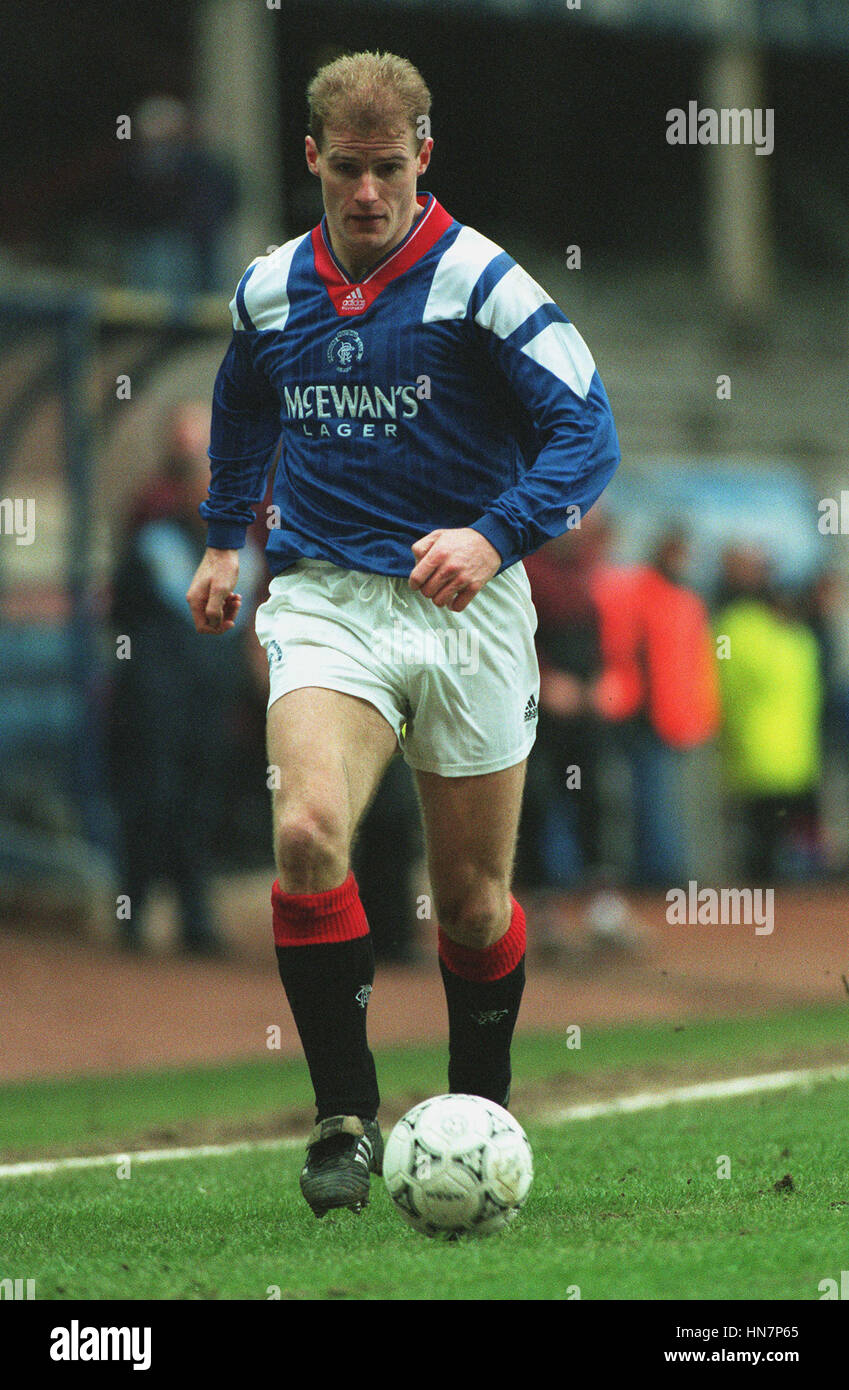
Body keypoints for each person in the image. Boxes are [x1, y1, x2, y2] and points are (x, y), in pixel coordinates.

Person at [186, 51, 619, 1218]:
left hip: (467, 604)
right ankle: (343, 1116)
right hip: (328, 597)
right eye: (348, 172)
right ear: (312, 159)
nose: (368, 194)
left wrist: (495, 534)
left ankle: (480, 1106)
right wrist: (228, 537)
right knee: (309, 828)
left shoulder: (485, 281)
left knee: (472, 902)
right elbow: (241, 395)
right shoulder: (272, 287)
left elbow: (590, 432)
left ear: (424, 158)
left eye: (390, 170)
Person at [109, 402, 264, 954]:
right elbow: (121, 617)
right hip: (154, 702)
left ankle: (196, 921)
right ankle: (134, 916)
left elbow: (251, 630)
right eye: (205, 483)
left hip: (214, 705)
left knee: (203, 810)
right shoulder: (153, 543)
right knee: (153, 803)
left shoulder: (245, 551)